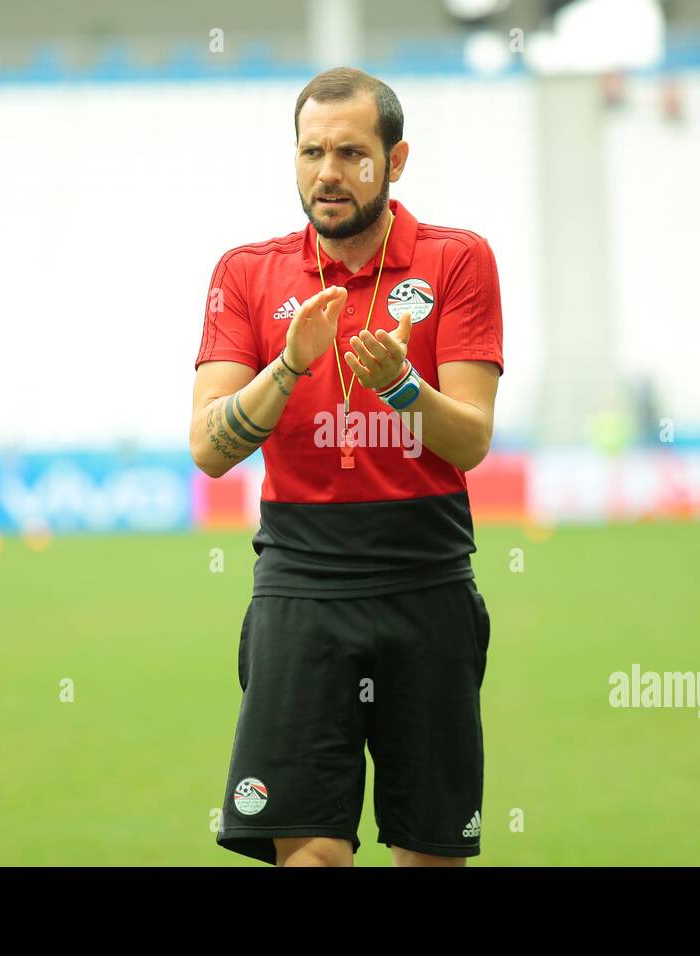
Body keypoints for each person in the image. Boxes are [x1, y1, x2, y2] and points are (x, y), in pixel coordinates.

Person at [189, 66, 503, 867]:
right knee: (313, 855)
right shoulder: (246, 273)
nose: (328, 173)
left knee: (431, 854)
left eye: (351, 153)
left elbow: (470, 440)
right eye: (311, 152)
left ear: (395, 162)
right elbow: (208, 448)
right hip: (302, 585)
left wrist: (401, 388)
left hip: (426, 578)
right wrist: (287, 367)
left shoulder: (457, 260)